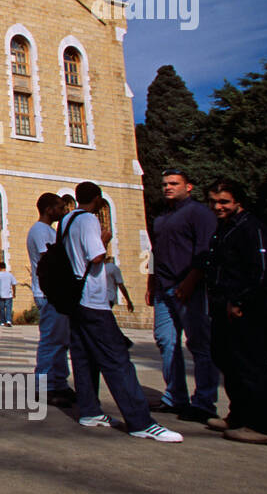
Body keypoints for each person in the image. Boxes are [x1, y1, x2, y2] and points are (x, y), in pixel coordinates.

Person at [62, 182, 182, 442]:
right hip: (93, 301)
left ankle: (90, 411)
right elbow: (95, 256)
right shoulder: (89, 220)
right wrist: (104, 240)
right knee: (117, 359)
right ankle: (140, 422)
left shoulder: (66, 221)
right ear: (97, 199)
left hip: (73, 300)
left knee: (83, 358)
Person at [201, 180, 267, 445]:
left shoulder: (252, 228)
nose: (218, 206)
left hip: (246, 309)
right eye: (213, 201)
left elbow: (261, 271)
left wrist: (241, 301)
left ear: (238, 201)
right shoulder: (225, 228)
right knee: (228, 360)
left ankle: (265, 426)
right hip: (224, 306)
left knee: (252, 365)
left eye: (224, 201)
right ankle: (240, 416)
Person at [145, 169, 219, 423]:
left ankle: (204, 401)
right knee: (167, 341)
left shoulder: (200, 214)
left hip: (189, 288)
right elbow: (155, 253)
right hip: (163, 290)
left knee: (199, 344)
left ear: (189, 187)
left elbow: (205, 251)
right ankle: (175, 396)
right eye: (164, 184)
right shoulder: (161, 218)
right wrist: (151, 282)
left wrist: (189, 282)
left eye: (174, 183)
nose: (168, 187)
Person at [29, 192, 74, 405]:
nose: (62, 211)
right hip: (48, 293)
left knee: (60, 341)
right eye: (59, 207)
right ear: (49, 209)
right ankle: (44, 386)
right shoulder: (40, 231)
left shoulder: (49, 231)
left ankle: (59, 383)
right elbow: (50, 260)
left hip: (57, 293)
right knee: (50, 340)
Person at [0, 261, 17, 326]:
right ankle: (8, 321)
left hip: (1, 294)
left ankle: (2, 322)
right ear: (5, 267)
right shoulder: (10, 275)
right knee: (9, 308)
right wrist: (14, 293)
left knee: (2, 308)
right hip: (9, 294)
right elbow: (14, 284)